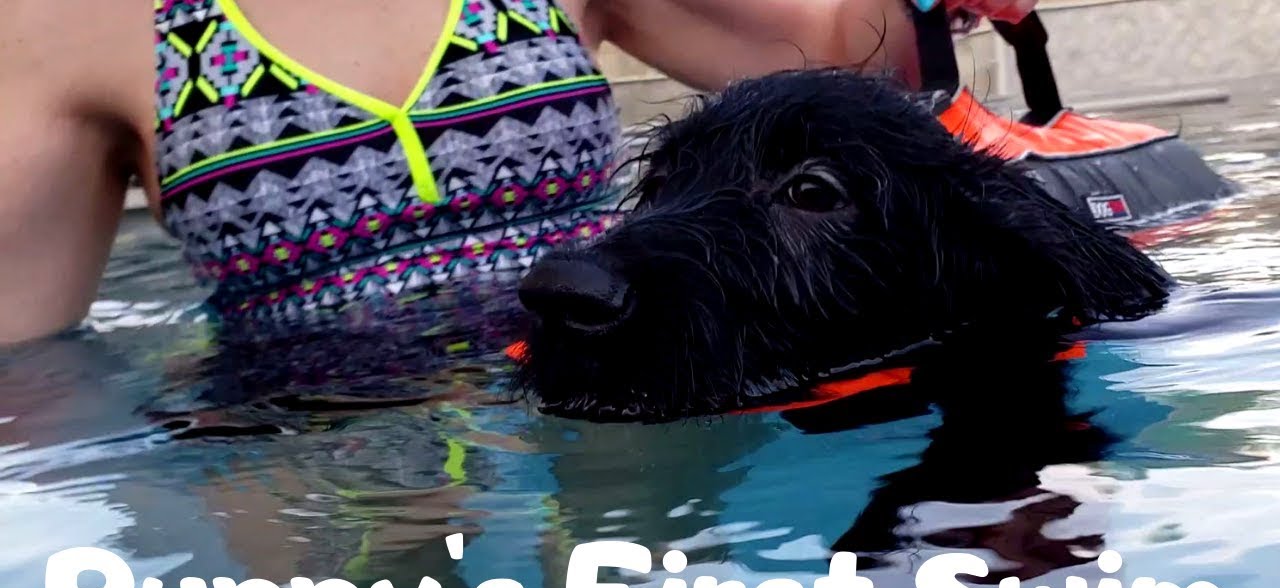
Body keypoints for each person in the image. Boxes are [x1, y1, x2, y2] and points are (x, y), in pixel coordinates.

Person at [0, 0, 1035, 345]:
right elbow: (22, 372)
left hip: (618, 383)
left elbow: (864, 59)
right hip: (308, 455)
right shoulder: (65, 22)